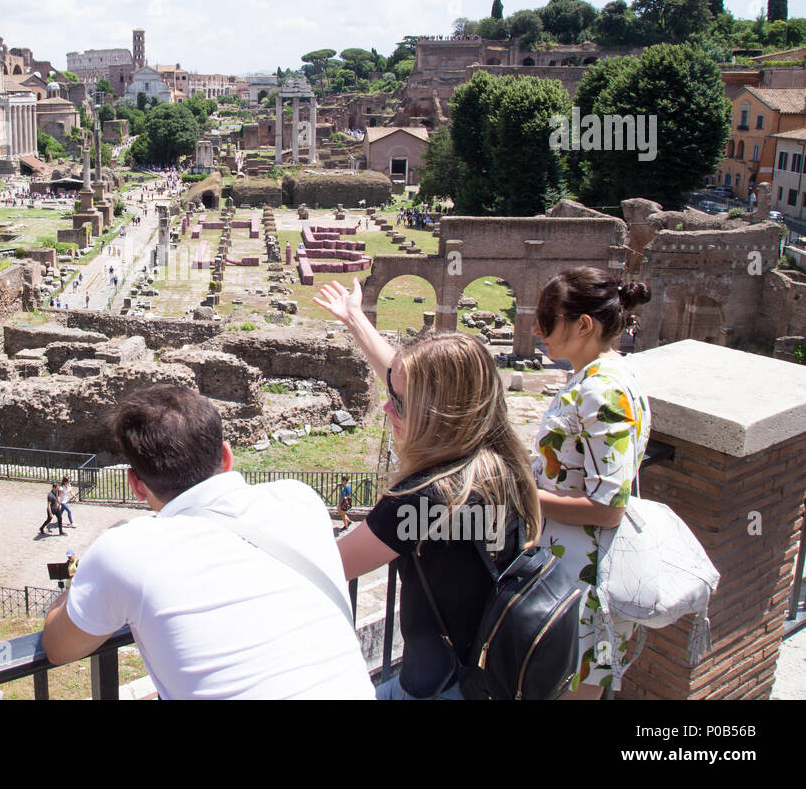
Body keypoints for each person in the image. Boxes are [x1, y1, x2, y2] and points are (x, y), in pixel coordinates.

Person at [42, 384, 374, 699]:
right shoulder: (300, 500)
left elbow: (59, 648)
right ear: (226, 457)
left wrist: (85, 571)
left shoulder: (126, 550)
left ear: (136, 484)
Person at [315, 279, 540, 700]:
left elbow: (330, 563)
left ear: (437, 414)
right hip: (491, 675)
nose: (386, 407)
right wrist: (354, 318)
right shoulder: (497, 465)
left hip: (443, 687)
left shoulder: (427, 501)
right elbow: (403, 374)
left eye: (397, 401)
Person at [531, 268, 653, 700]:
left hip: (583, 587)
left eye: (548, 317)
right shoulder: (604, 375)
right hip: (569, 571)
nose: (537, 328)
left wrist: (529, 499)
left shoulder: (603, 391)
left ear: (584, 324)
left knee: (569, 690)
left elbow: (608, 506)